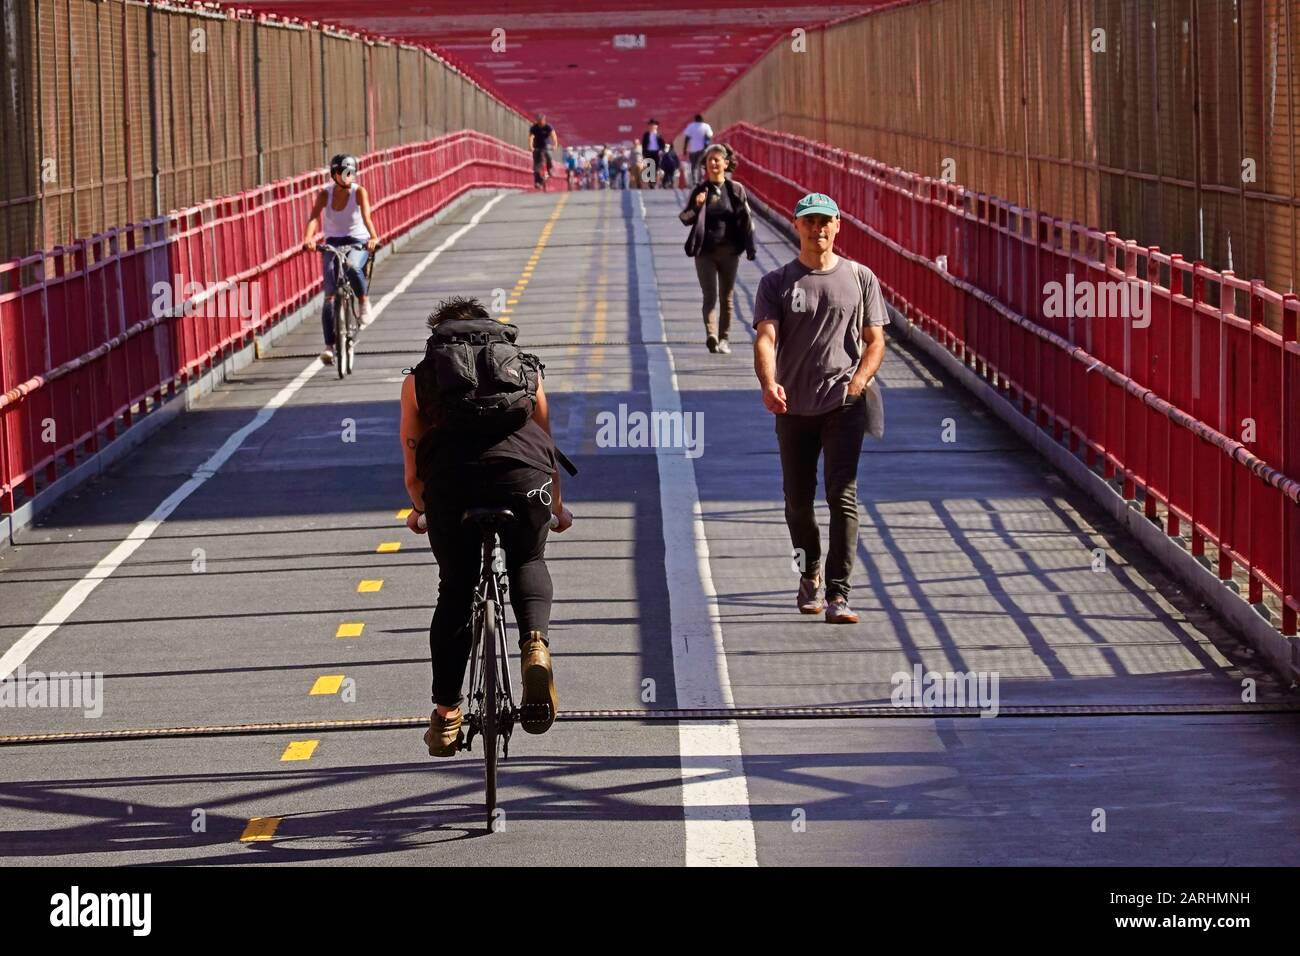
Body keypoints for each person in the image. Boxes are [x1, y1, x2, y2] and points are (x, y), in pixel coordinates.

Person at [401, 296, 574, 756]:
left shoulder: (421, 378)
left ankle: (446, 716)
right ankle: (534, 644)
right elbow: (547, 447)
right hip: (524, 481)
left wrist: (421, 507)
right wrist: (556, 507)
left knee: (455, 588)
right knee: (528, 557)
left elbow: (413, 461)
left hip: (451, 486)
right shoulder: (526, 369)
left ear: (440, 338)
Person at [752, 192, 888, 624]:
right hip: (793, 407)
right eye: (810, 222)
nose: (819, 229)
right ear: (797, 226)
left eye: (826, 221)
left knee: (842, 496)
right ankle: (808, 571)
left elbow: (875, 339)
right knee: (797, 502)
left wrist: (859, 381)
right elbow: (767, 338)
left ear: (838, 224)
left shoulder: (861, 277)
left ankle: (839, 593)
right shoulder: (776, 282)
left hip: (844, 404)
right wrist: (768, 382)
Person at [302, 154, 379, 365]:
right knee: (329, 296)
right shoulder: (324, 195)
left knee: (353, 266)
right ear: (334, 175)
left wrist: (373, 237)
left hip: (358, 240)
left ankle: (363, 301)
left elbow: (366, 217)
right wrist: (308, 239)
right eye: (343, 173)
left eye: (351, 173)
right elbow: (313, 218)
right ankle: (329, 347)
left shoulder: (359, 192)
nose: (348, 177)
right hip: (333, 244)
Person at [678, 143, 755, 354]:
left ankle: (724, 338)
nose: (713, 163)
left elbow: (746, 219)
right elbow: (685, 218)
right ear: (705, 165)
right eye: (709, 160)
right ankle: (711, 334)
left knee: (727, 297)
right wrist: (697, 205)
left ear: (725, 163)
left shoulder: (735, 189)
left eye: (717, 160)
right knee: (709, 296)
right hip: (705, 252)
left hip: (730, 252)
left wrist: (750, 247)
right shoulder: (700, 190)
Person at [682, 113, 713, 185]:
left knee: (694, 165)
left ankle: (695, 180)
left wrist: (685, 148)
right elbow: (709, 136)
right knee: (701, 164)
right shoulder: (706, 126)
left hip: (692, 150)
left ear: (695, 119)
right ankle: (701, 179)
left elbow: (687, 138)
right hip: (703, 149)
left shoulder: (691, 126)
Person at [529, 114, 558, 188]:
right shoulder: (534, 128)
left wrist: (555, 145)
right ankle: (537, 181)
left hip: (546, 146)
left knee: (548, 154)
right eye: (539, 121)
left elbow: (553, 136)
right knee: (536, 165)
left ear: (544, 121)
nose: (540, 123)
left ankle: (550, 168)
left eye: (541, 121)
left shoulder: (548, 127)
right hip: (537, 147)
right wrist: (531, 146)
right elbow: (531, 137)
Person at [640, 118, 664, 188]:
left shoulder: (659, 135)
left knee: (655, 167)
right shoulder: (646, 135)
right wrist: (643, 153)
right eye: (651, 125)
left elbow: (662, 144)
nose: (652, 126)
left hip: (656, 153)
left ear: (656, 126)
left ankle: (652, 182)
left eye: (654, 125)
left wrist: (661, 150)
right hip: (648, 152)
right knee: (650, 167)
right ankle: (651, 181)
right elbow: (644, 145)